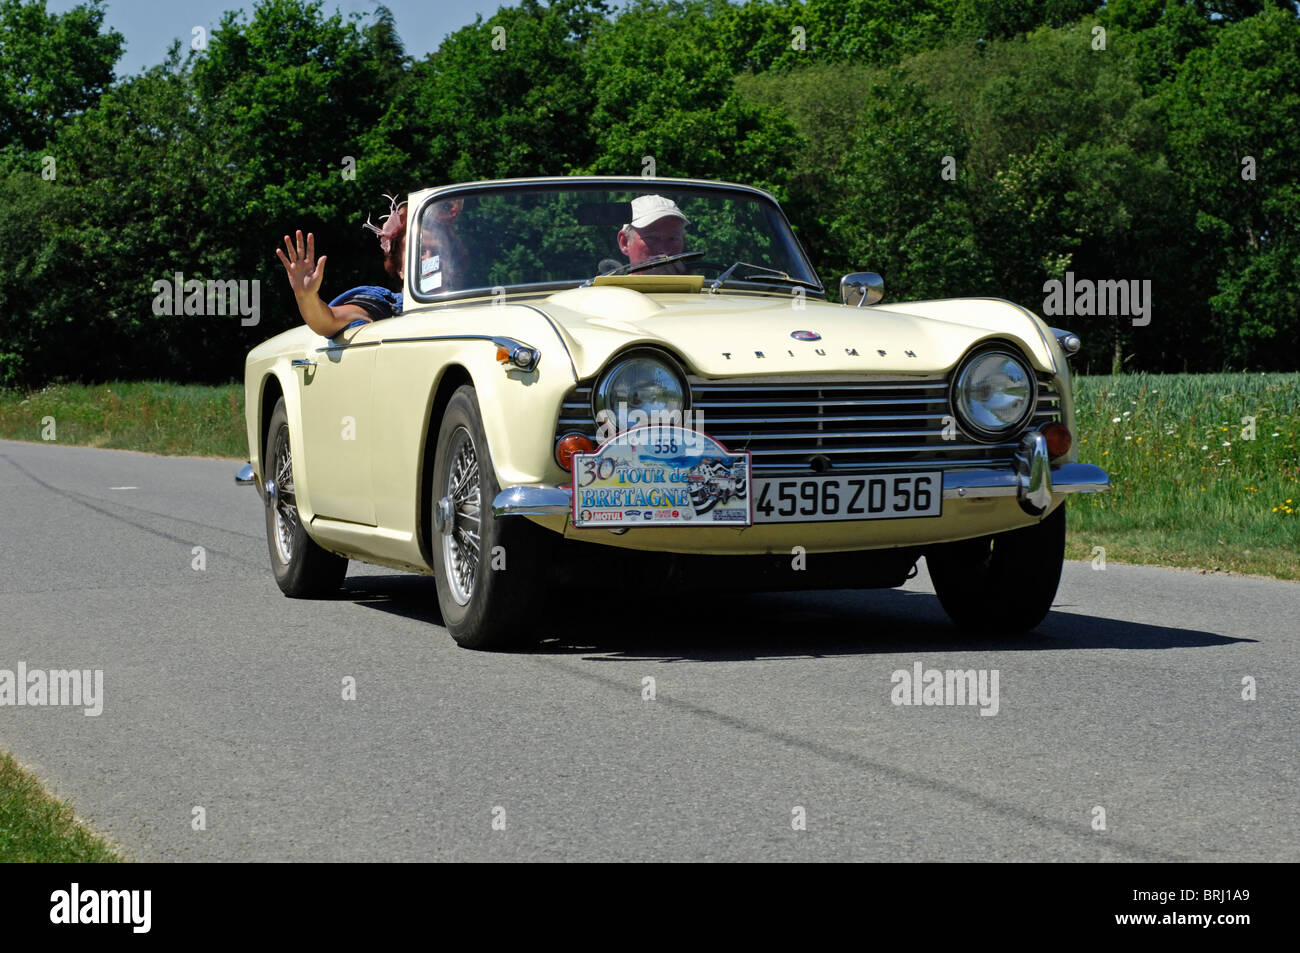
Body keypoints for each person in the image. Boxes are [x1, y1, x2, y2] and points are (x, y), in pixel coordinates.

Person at [274, 194, 408, 337]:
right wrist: (306, 296)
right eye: (421, 250)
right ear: (401, 268)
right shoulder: (387, 306)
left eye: (436, 249)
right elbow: (328, 321)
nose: (430, 257)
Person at [615, 195, 690, 275]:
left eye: (672, 239)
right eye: (652, 238)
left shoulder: (699, 285)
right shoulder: (609, 287)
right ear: (625, 242)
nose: (664, 251)